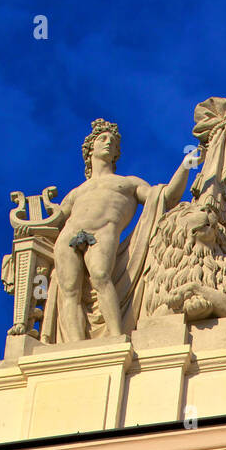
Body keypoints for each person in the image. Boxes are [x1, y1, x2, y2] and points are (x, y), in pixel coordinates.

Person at [47, 120, 194, 341]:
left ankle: (116, 337)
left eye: (113, 142)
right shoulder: (76, 192)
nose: (108, 143)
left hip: (102, 232)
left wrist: (186, 166)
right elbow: (53, 222)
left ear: (117, 152)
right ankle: (75, 346)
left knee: (100, 276)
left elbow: (166, 197)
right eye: (102, 139)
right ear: (90, 149)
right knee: (69, 290)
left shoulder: (128, 183)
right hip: (70, 234)